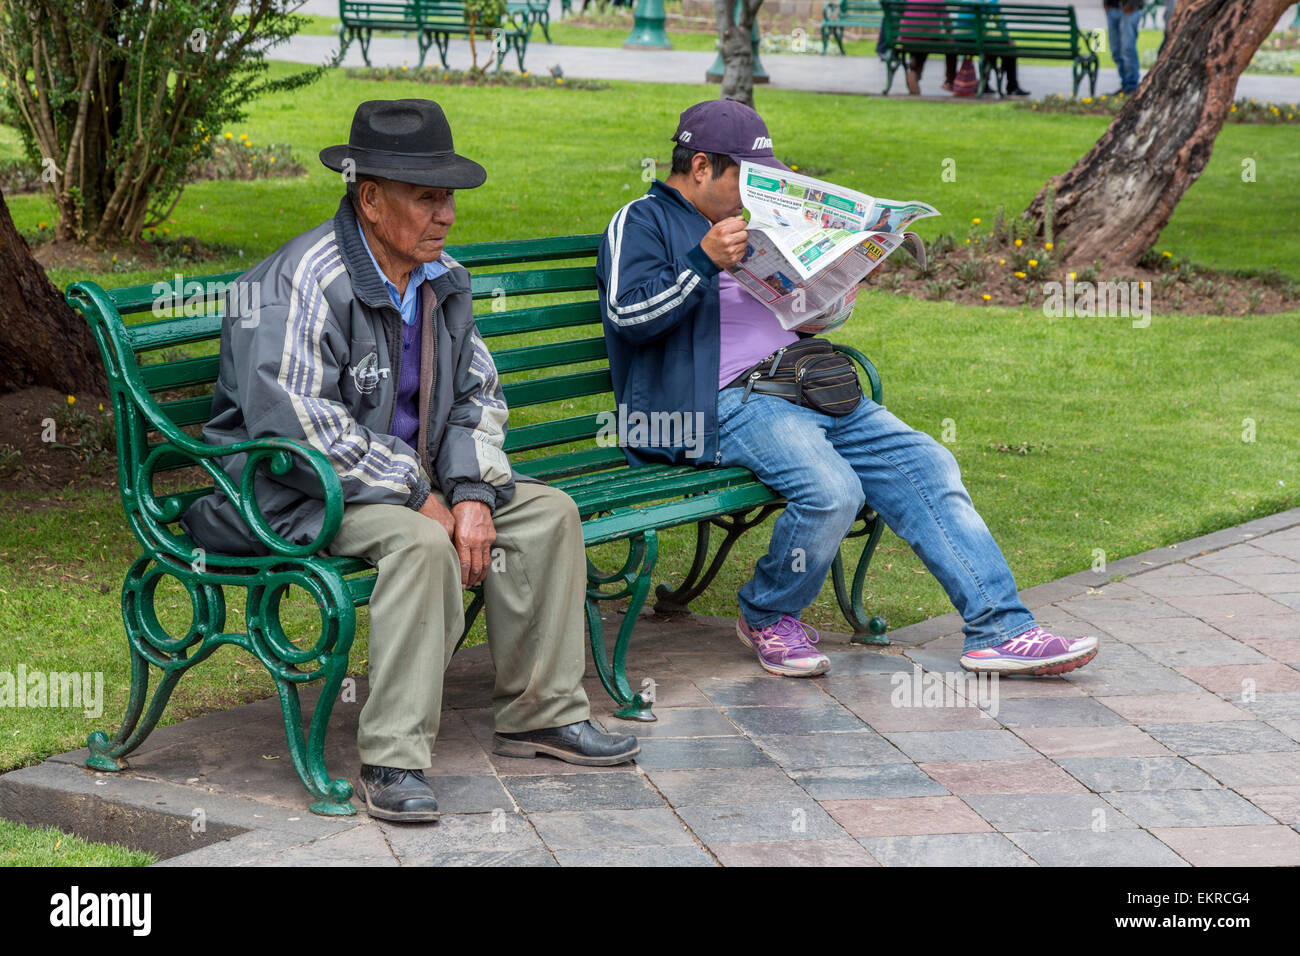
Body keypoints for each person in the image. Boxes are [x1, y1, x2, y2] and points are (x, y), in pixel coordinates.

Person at [182, 98, 638, 823]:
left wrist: (471, 492)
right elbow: (299, 430)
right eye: (427, 198)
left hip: (406, 477)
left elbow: (478, 395)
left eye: (449, 198)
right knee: (422, 543)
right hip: (290, 492)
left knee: (549, 514)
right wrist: (419, 495)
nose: (447, 215)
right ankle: (391, 758)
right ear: (370, 199)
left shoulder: (441, 278)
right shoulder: (296, 282)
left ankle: (541, 713)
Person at [595, 99, 1100, 680]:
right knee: (832, 490)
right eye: (745, 180)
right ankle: (768, 613)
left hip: (807, 382)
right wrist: (702, 261)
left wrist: (843, 277)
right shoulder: (642, 221)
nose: (752, 195)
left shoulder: (754, 224)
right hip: (721, 402)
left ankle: (1001, 630)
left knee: (929, 463)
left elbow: (800, 317)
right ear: (702, 166)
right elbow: (629, 316)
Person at [901, 0, 958, 94]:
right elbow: (945, 19)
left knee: (922, 44)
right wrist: (950, 34)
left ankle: (915, 72)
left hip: (906, 36)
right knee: (950, 46)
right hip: (926, 35)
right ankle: (950, 80)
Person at [1104, 0, 1142, 94]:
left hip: (1130, 9)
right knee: (1116, 50)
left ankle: (1132, 86)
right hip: (1112, 8)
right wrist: (1106, 4)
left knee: (1127, 49)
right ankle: (1125, 85)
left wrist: (1132, 4)